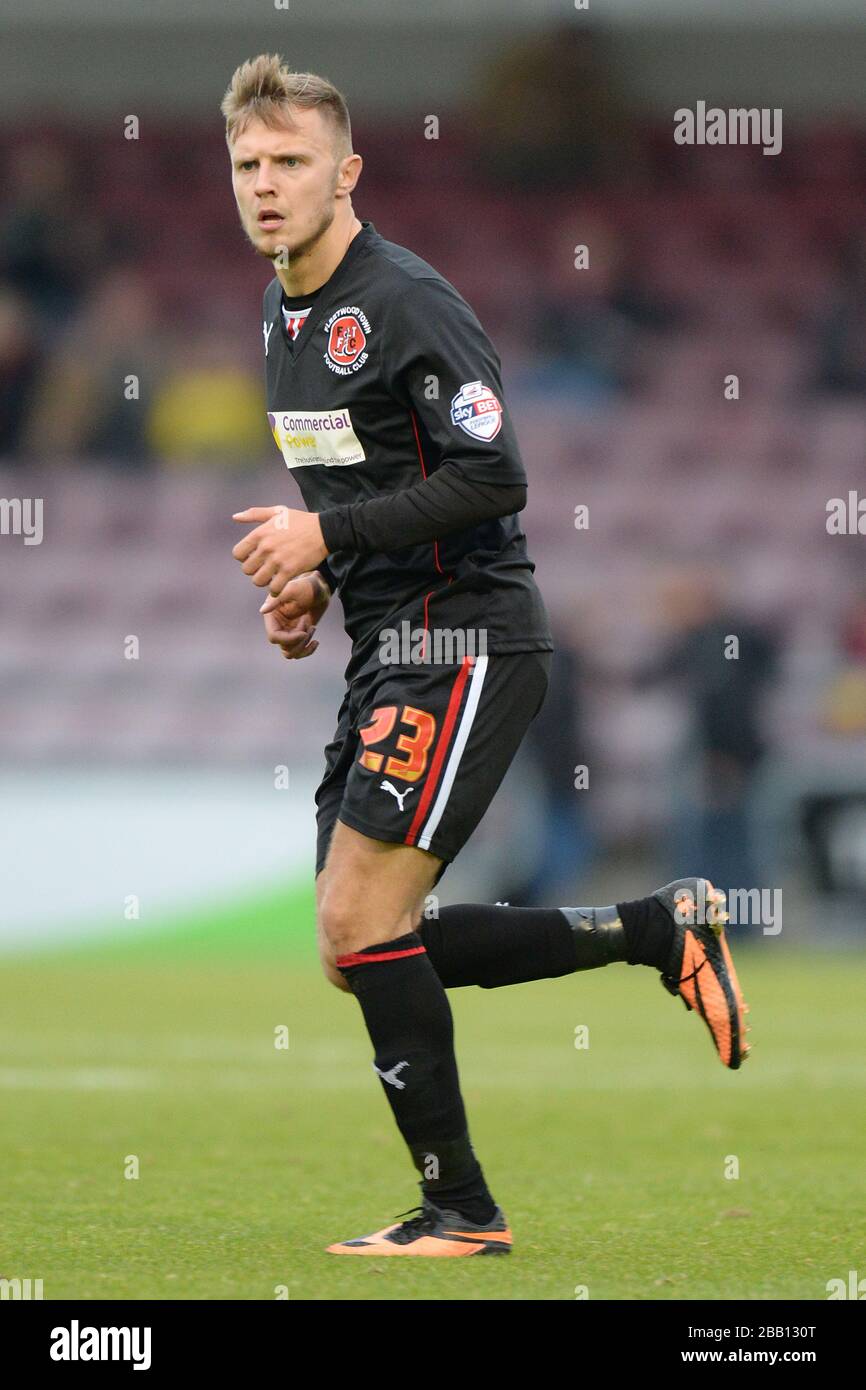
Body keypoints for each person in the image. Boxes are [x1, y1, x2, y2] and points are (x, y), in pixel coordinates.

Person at [224, 54, 750, 1258]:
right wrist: (311, 582)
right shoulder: (278, 313)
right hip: (386, 640)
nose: (266, 185)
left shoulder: (404, 299)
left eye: (290, 163)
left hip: (465, 635)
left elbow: (492, 475)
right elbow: (365, 485)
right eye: (249, 165)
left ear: (345, 172)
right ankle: (656, 930)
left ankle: (459, 1209)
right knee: (355, 951)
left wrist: (325, 533)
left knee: (361, 922)